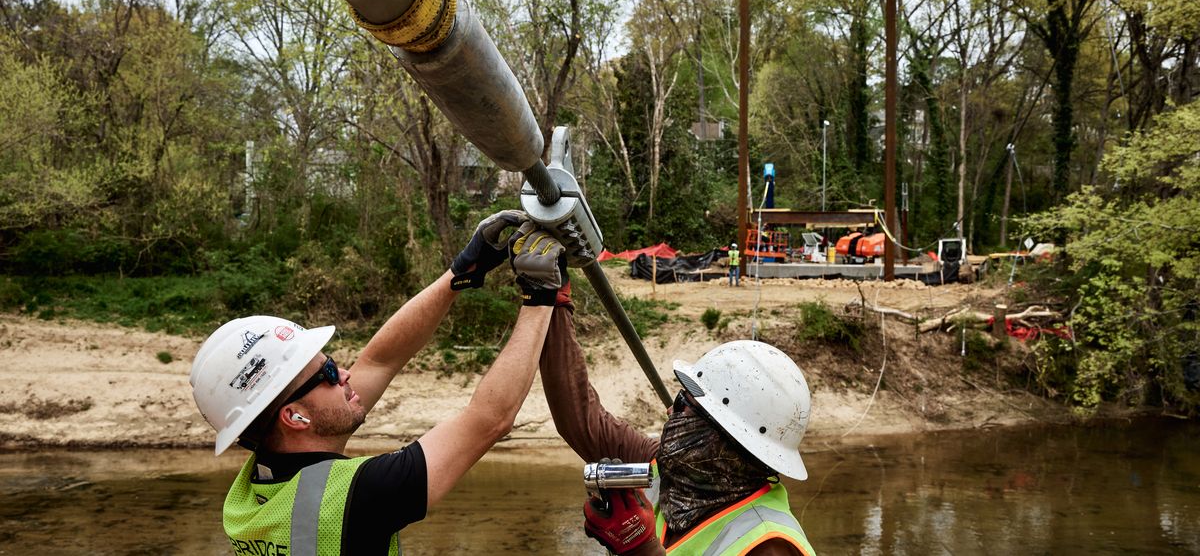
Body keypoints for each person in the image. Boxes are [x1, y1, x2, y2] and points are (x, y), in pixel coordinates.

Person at [190, 212, 568, 555]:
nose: (346, 374)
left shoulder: (247, 495)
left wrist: (460, 274)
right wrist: (540, 297)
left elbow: (380, 361)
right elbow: (489, 419)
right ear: (295, 417)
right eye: (327, 375)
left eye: (332, 363)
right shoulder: (358, 496)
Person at [520, 237, 817, 556]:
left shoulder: (769, 545)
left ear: (721, 443)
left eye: (683, 405)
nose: (671, 415)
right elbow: (579, 419)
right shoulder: (670, 469)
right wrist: (550, 298)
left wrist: (640, 548)